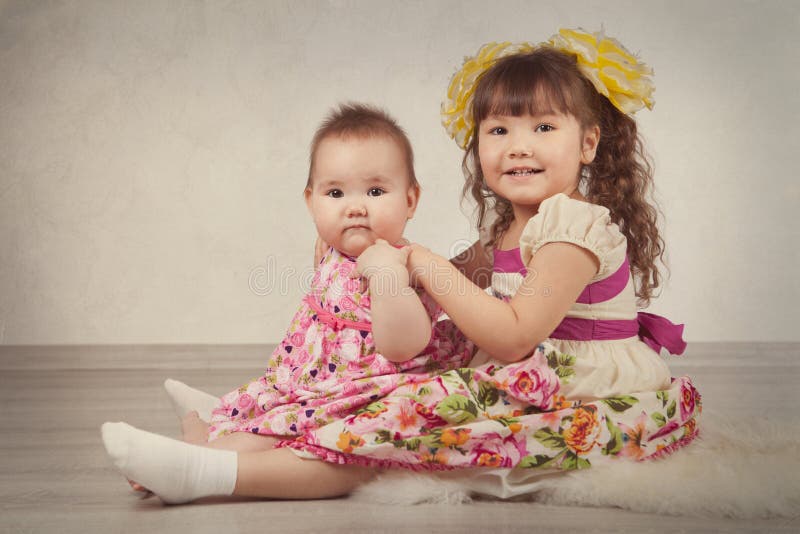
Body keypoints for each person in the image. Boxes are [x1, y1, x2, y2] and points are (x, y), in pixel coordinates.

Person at [103, 28, 701, 504]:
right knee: (377, 388)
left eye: (543, 127)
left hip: (578, 397)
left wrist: (415, 258)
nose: (518, 145)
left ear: (589, 143)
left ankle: (218, 474)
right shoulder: (509, 227)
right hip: (523, 379)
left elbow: (515, 336)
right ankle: (234, 429)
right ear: (477, 144)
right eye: (498, 129)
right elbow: (450, 291)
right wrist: (369, 254)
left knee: (389, 436)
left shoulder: (574, 227)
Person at [101, 103, 473, 503]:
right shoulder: (332, 248)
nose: (355, 206)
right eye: (335, 193)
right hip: (310, 386)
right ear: (311, 201)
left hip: (367, 396)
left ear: (411, 201)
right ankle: (199, 430)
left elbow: (404, 345)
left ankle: (192, 464)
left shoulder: (405, 263)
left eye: (376, 191)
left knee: (287, 436)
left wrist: (387, 279)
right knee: (265, 422)